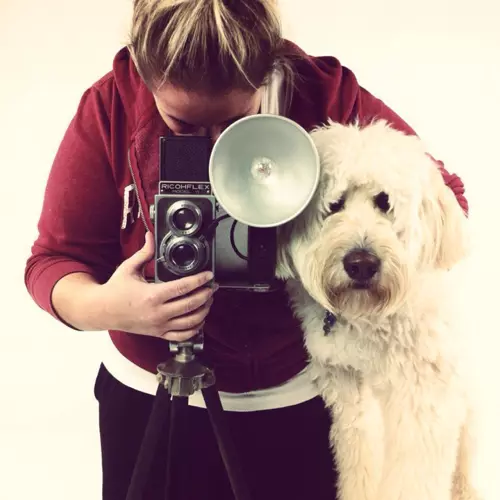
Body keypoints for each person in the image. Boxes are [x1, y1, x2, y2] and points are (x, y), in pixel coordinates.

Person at [24, 1, 469, 499]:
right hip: (153, 395)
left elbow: (442, 196)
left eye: (235, 124)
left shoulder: (323, 96)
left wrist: (348, 263)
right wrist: (109, 308)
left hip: (297, 402)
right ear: (147, 79)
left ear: (269, 73)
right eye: (184, 126)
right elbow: (52, 261)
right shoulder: (110, 107)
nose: (214, 148)